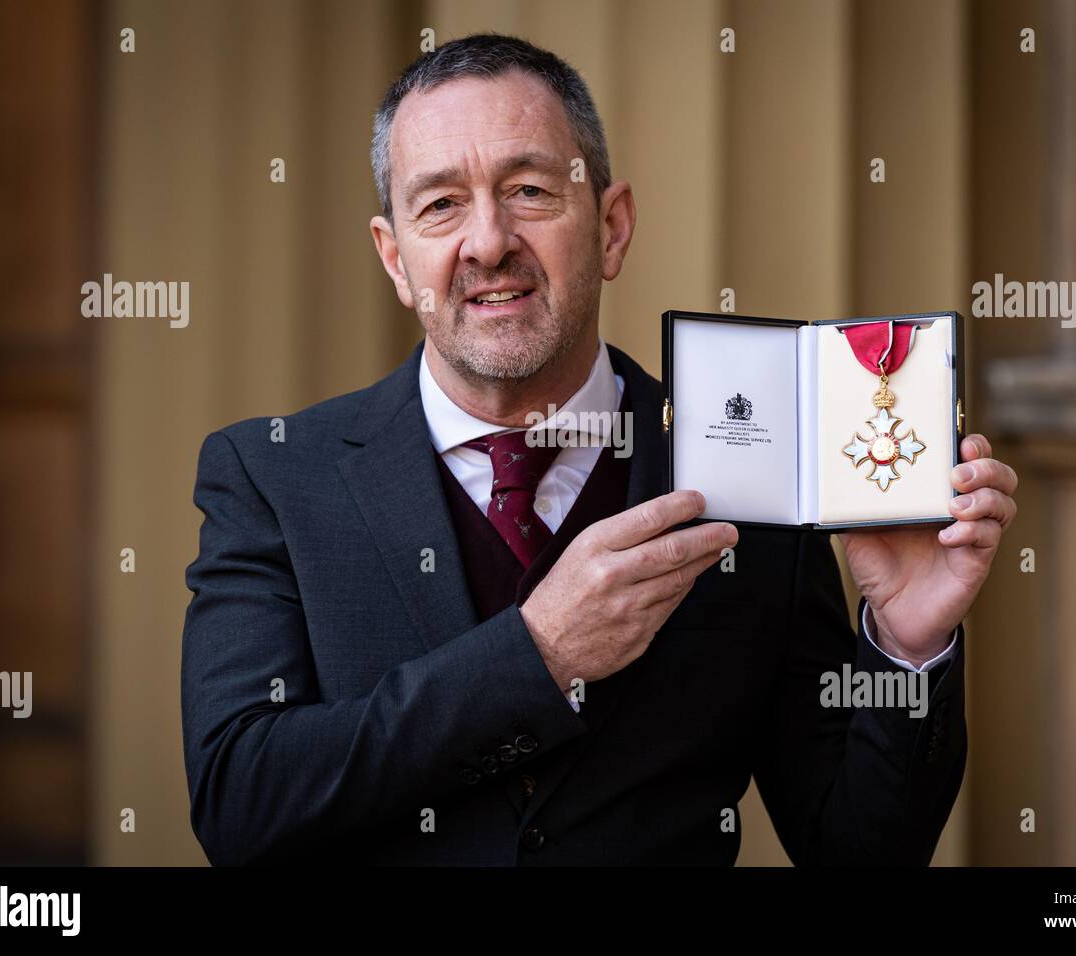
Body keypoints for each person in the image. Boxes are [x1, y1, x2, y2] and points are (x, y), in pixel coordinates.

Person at [181, 33, 1017, 866]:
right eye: (440, 204)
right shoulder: (273, 477)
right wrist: (537, 654)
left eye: (531, 190)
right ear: (397, 260)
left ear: (611, 229)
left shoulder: (750, 476)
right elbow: (240, 804)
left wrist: (903, 649)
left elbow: (859, 853)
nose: (487, 241)